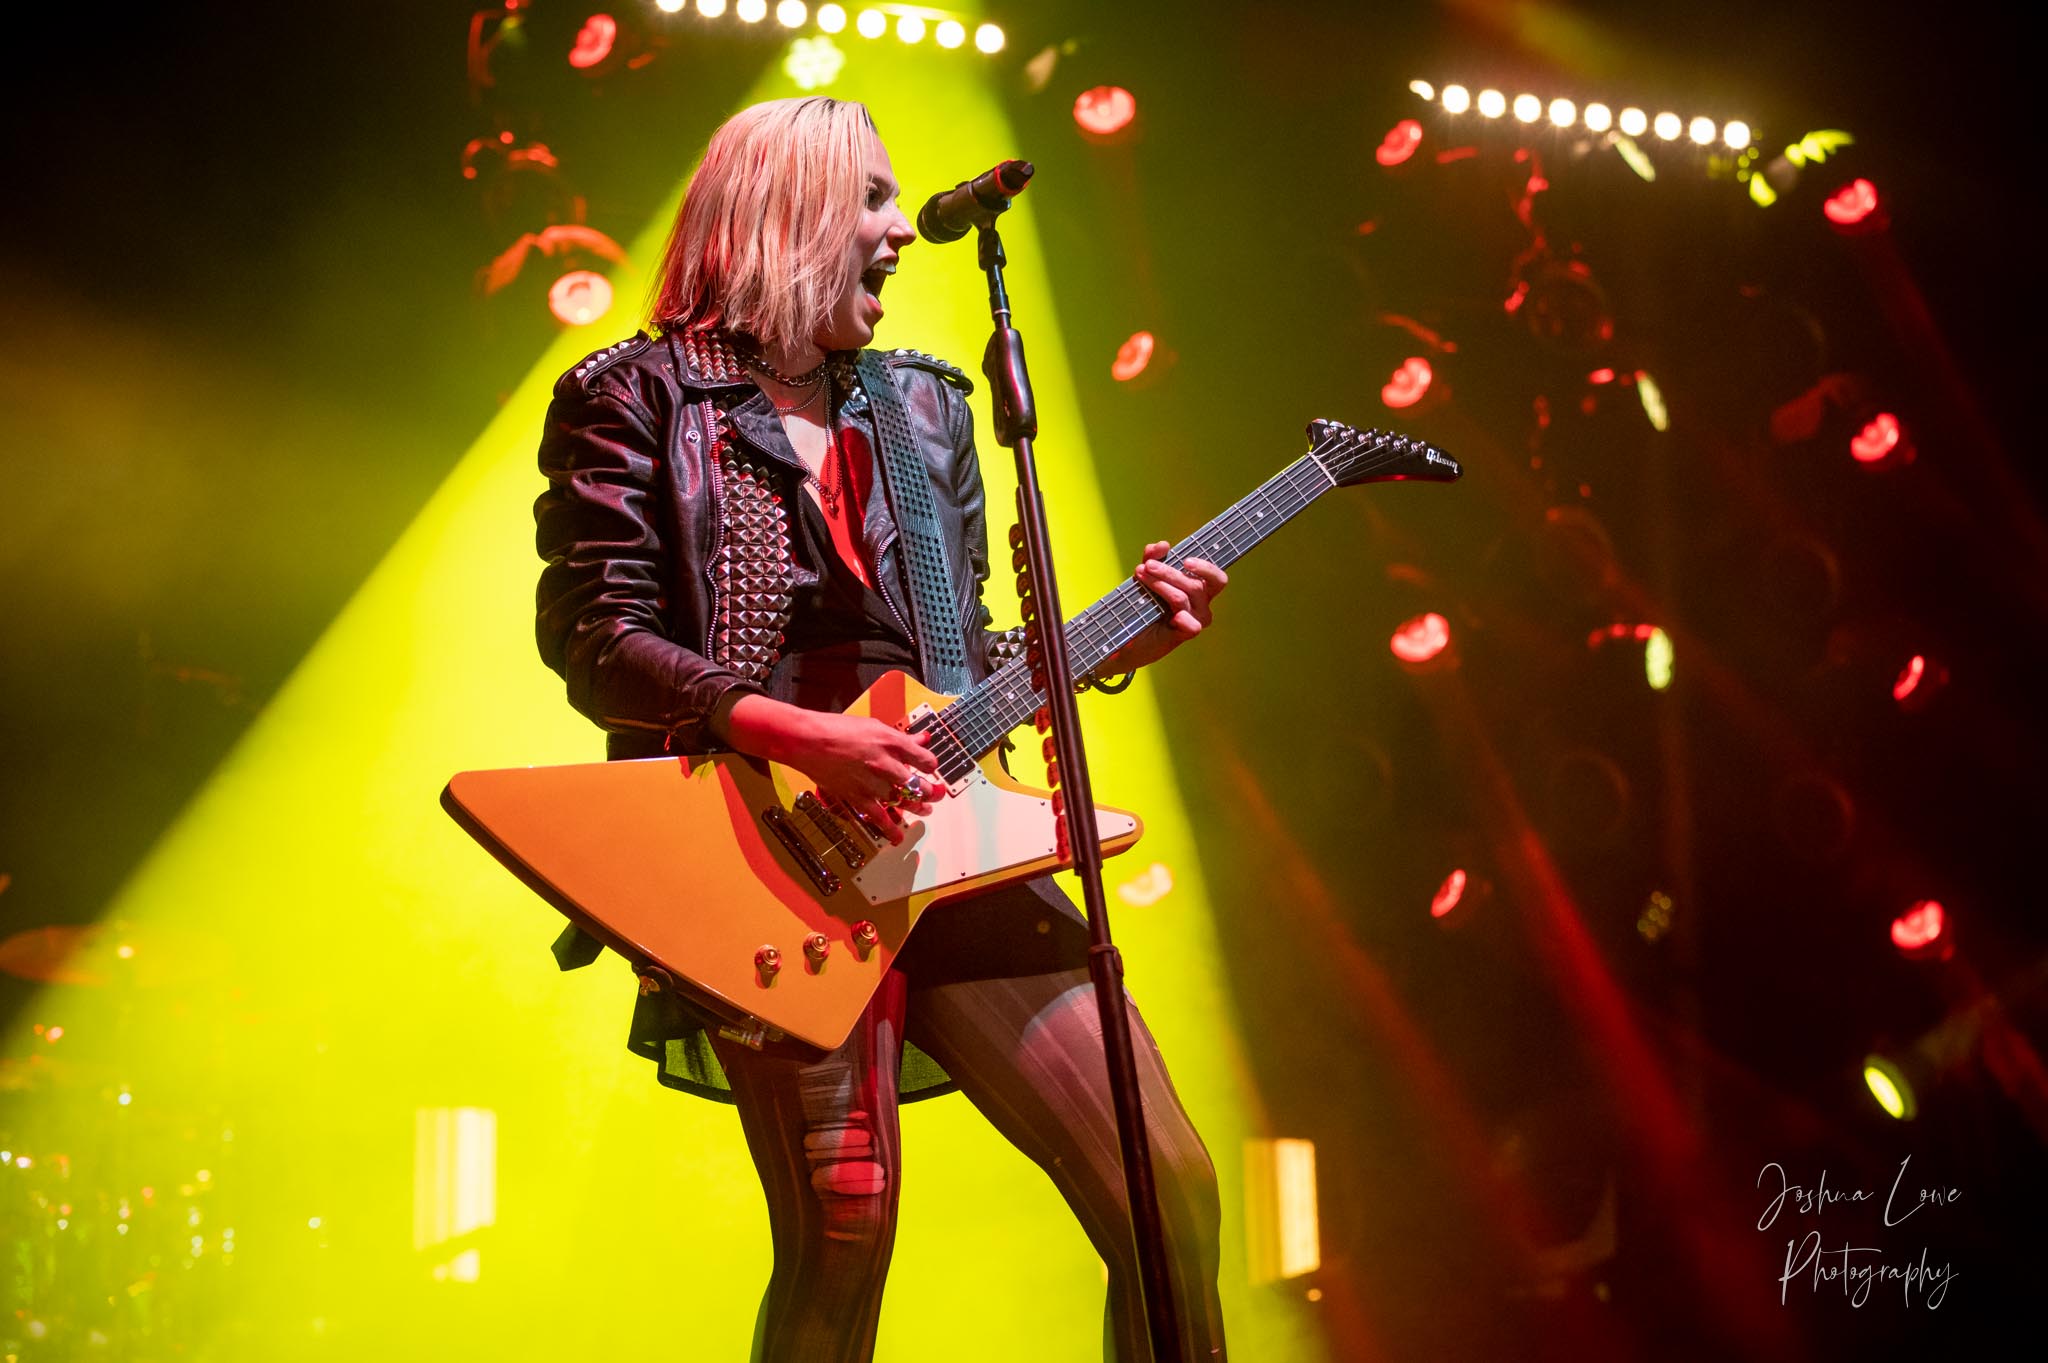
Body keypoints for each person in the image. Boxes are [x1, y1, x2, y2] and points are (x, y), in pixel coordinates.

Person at [533, 95, 1229, 1362]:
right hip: (763, 855)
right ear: (787, 212)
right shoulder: (632, 395)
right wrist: (794, 736)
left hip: (947, 837)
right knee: (843, 1231)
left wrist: (1111, 645)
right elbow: (595, 636)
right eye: (872, 199)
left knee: (1165, 1190)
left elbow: (955, 661)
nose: (902, 229)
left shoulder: (923, 408)